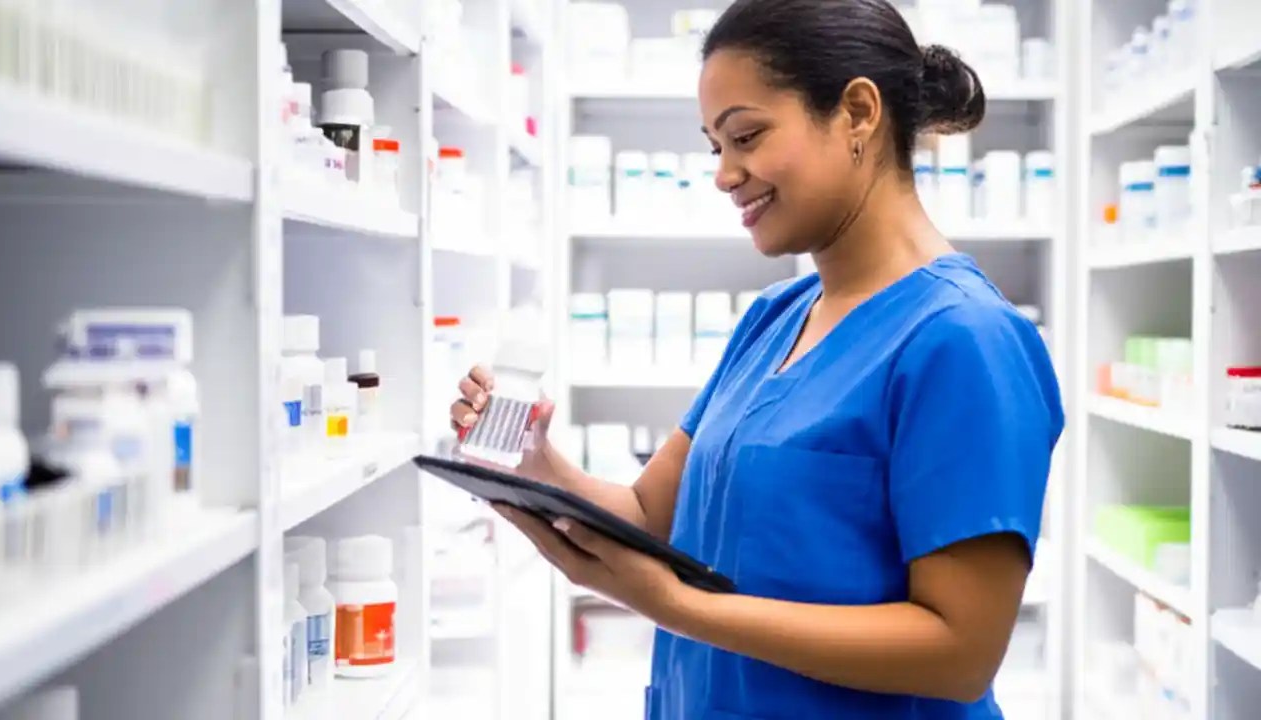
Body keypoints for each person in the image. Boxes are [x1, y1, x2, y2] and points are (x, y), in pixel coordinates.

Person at [450, 0, 1064, 717]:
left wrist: (680, 609)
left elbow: (960, 651)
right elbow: (652, 516)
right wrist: (536, 465)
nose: (725, 174)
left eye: (747, 135)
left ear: (858, 112)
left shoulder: (963, 339)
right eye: (717, 146)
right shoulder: (775, 319)